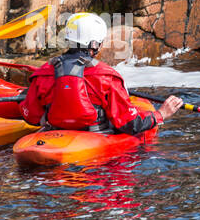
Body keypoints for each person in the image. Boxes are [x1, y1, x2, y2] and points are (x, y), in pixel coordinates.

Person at [20, 12, 183, 134]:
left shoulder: (43, 73)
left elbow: (31, 117)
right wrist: (160, 114)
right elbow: (130, 124)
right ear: (94, 43)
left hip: (55, 135)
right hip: (96, 141)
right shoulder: (107, 76)